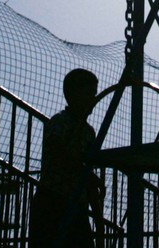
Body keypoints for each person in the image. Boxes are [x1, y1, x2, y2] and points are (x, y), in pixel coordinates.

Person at [29, 68, 104, 248]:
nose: (93, 100)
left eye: (94, 94)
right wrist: (84, 172)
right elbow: (58, 150)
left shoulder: (88, 132)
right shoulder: (60, 122)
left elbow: (89, 177)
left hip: (76, 203)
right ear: (73, 94)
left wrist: (99, 220)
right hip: (53, 199)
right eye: (88, 94)